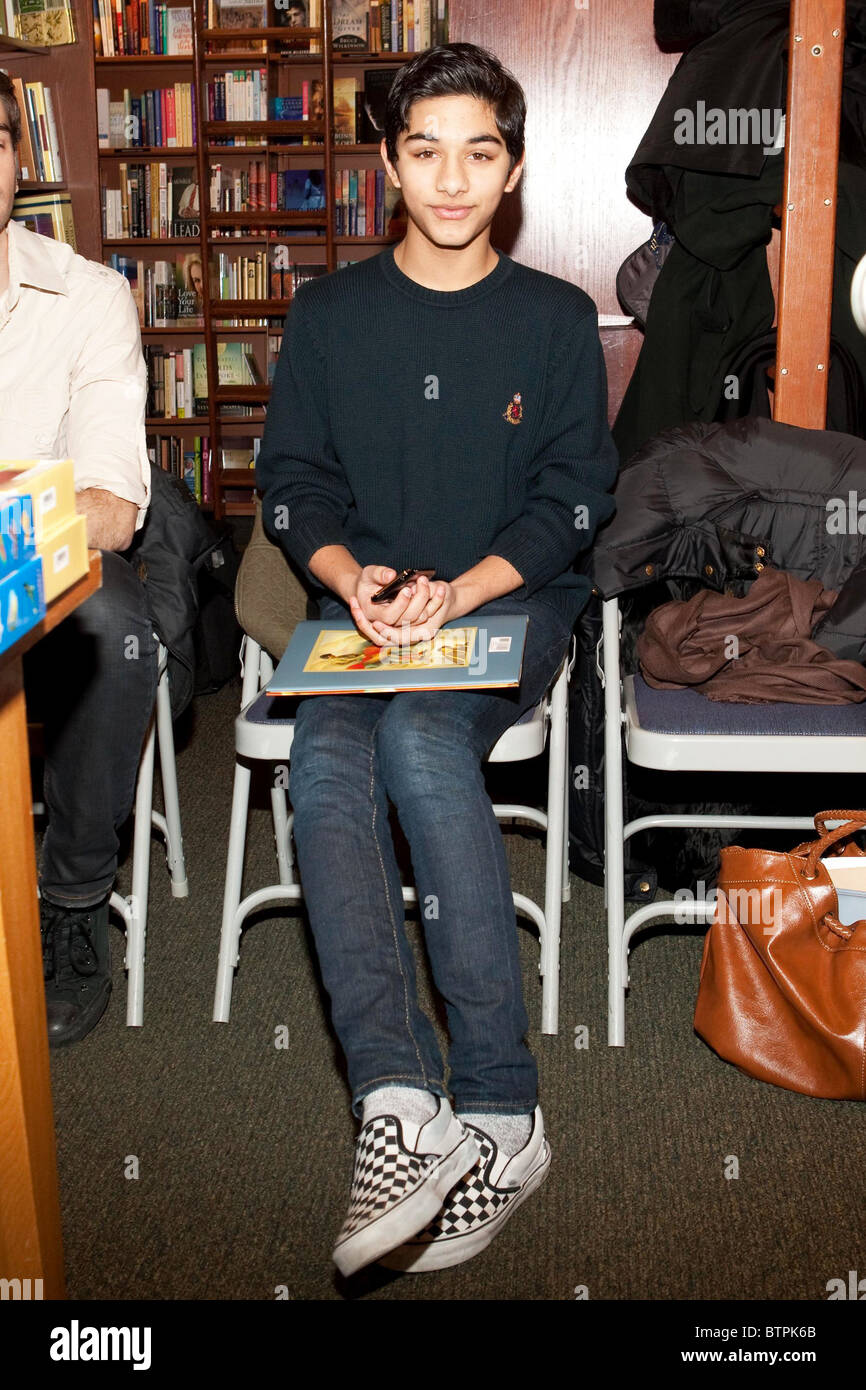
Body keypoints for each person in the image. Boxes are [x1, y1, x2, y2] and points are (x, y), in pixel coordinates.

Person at [257, 42, 618, 1277]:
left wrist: (455, 591)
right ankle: (399, 1107)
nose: (451, 179)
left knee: (418, 733)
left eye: (477, 152)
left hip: (505, 601)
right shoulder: (330, 315)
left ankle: (505, 1113)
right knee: (324, 747)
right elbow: (290, 485)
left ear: (510, 168)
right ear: (386, 163)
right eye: (424, 151)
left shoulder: (557, 320)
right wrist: (354, 576)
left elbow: (576, 499)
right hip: (371, 605)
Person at [0, 73, 156, 1047]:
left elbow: (111, 508)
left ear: (14, 164)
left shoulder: (87, 294)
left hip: (41, 562)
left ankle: (70, 900)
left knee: (118, 632)